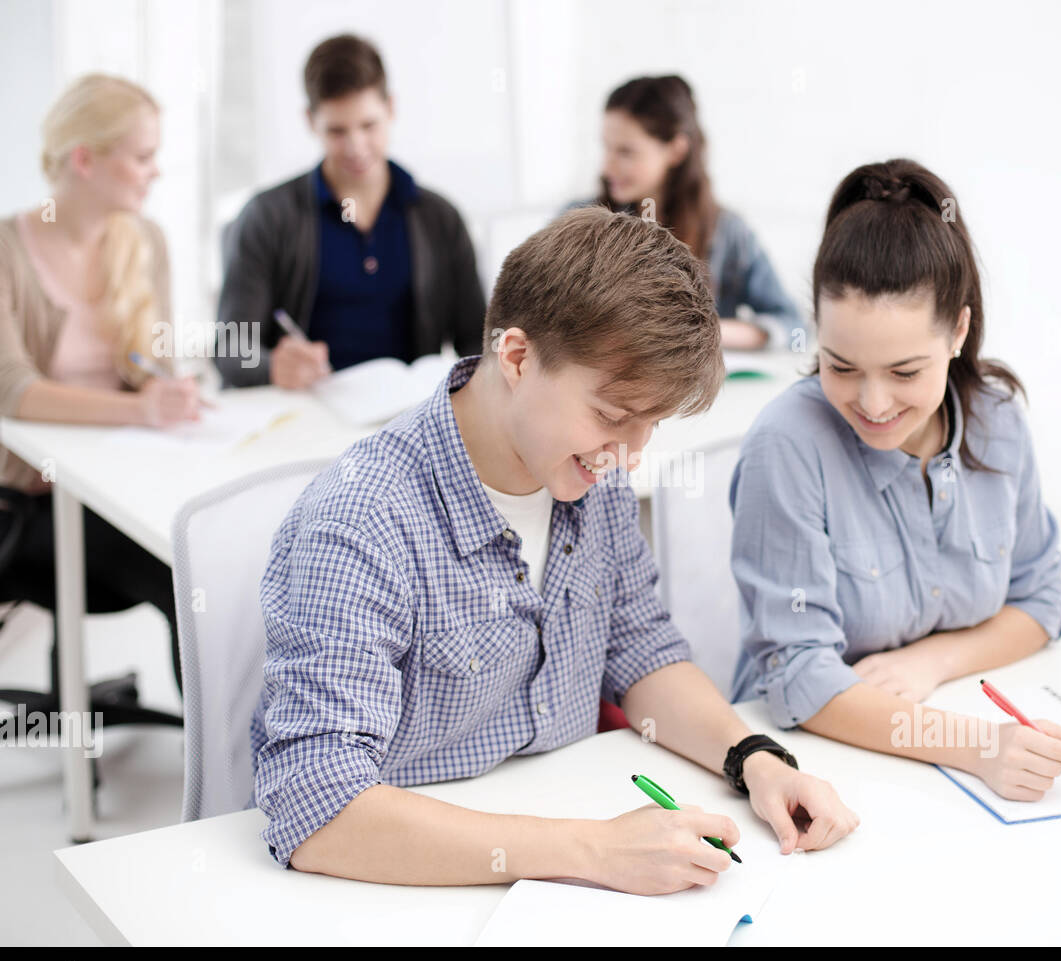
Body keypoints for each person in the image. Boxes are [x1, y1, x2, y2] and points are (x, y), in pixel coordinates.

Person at [250, 206, 859, 891]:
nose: (628, 457)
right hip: (394, 890)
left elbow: (642, 651)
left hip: (557, 845)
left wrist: (756, 759)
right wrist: (594, 852)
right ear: (516, 357)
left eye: (649, 426)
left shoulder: (587, 475)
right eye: (613, 416)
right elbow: (316, 807)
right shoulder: (361, 522)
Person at [728, 159, 1061, 802]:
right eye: (841, 365)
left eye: (903, 371)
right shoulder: (787, 445)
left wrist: (933, 662)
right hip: (810, 770)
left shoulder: (998, 422)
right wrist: (974, 746)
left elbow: (1040, 600)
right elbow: (799, 677)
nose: (871, 402)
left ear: (958, 332)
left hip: (931, 740)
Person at [0, 73, 196, 687]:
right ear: (85, 159)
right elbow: (15, 392)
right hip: (31, 504)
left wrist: (164, 388)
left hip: (125, 481)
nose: (154, 171)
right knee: (187, 579)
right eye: (142, 157)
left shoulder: (146, 241)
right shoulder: (7, 251)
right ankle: (216, 780)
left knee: (225, 561)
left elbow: (152, 365)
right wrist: (141, 412)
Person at [214, 34, 484, 390]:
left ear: (391, 108)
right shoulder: (267, 217)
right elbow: (230, 348)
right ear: (310, 121)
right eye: (337, 131)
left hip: (410, 416)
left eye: (369, 126)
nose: (356, 147)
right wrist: (273, 367)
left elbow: (478, 341)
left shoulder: (440, 218)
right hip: (307, 416)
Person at [567, 74, 802, 352]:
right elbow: (531, 311)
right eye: (606, 148)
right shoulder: (577, 220)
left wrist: (706, 331)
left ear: (676, 151)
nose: (607, 167)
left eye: (626, 152)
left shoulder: (728, 232)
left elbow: (795, 327)